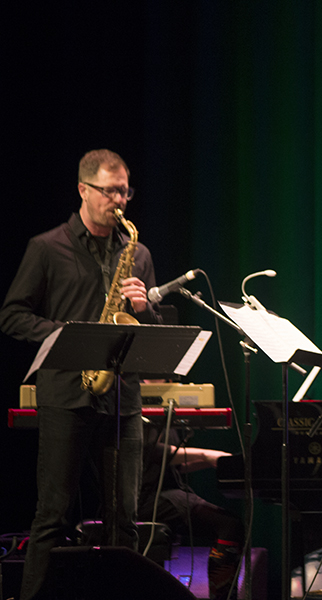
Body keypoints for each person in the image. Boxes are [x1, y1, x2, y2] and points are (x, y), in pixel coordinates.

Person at [0, 149, 162, 599]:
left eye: (125, 191)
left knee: (124, 520)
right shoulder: (47, 247)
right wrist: (67, 336)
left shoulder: (138, 252)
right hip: (66, 395)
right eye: (111, 191)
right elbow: (12, 315)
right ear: (83, 190)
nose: (121, 201)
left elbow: (154, 329)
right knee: (52, 515)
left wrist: (145, 309)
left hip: (121, 400)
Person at [140, 423, 244, 600]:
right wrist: (206, 454)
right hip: (146, 497)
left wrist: (209, 461)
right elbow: (151, 451)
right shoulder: (142, 415)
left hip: (164, 494)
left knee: (231, 525)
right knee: (228, 525)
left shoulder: (167, 420)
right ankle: (222, 596)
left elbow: (175, 465)